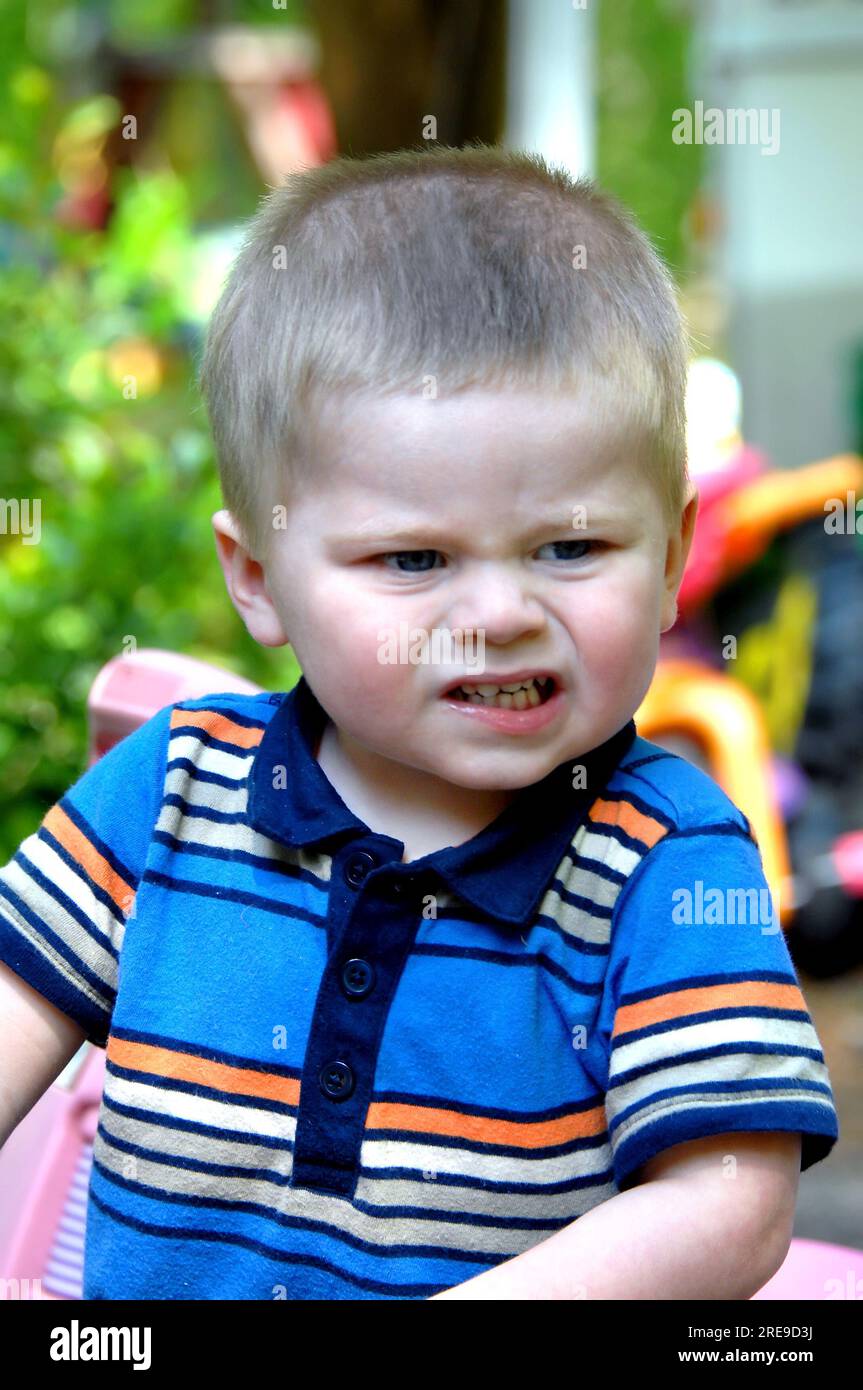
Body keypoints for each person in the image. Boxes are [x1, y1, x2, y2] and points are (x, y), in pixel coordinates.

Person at [0, 145, 838, 1300]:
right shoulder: (173, 788)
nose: (499, 614)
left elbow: (730, 1204)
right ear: (257, 579)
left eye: (570, 546)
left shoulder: (660, 859)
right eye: (413, 558)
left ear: (672, 557)